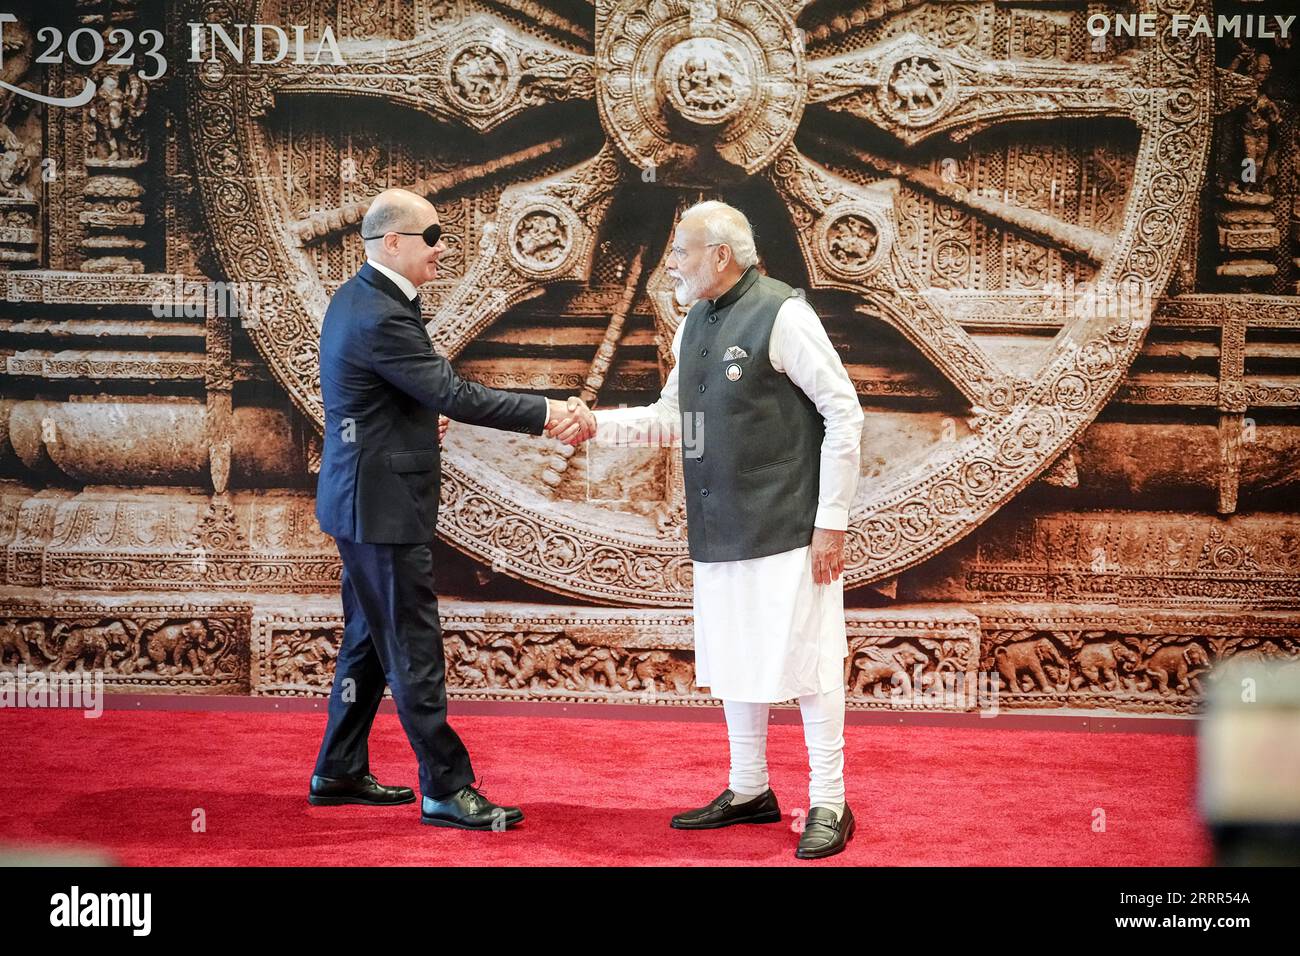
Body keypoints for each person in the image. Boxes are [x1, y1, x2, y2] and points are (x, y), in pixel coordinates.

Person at [309, 188, 595, 830]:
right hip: (379, 508)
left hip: (363, 499)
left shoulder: (360, 298)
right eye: (432, 236)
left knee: (366, 641)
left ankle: (338, 770)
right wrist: (548, 413)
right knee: (412, 646)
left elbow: (383, 396)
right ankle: (445, 787)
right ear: (393, 243)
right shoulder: (382, 313)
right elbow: (449, 391)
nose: (443, 247)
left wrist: (414, 421)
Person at [593, 201, 865, 859]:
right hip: (720, 525)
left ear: (721, 255)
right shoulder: (692, 323)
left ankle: (829, 799)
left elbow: (844, 413)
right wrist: (590, 423)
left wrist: (831, 522)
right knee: (737, 655)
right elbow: (670, 418)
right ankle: (749, 789)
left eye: (682, 251)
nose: (674, 263)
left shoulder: (783, 313)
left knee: (809, 661)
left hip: (790, 526)